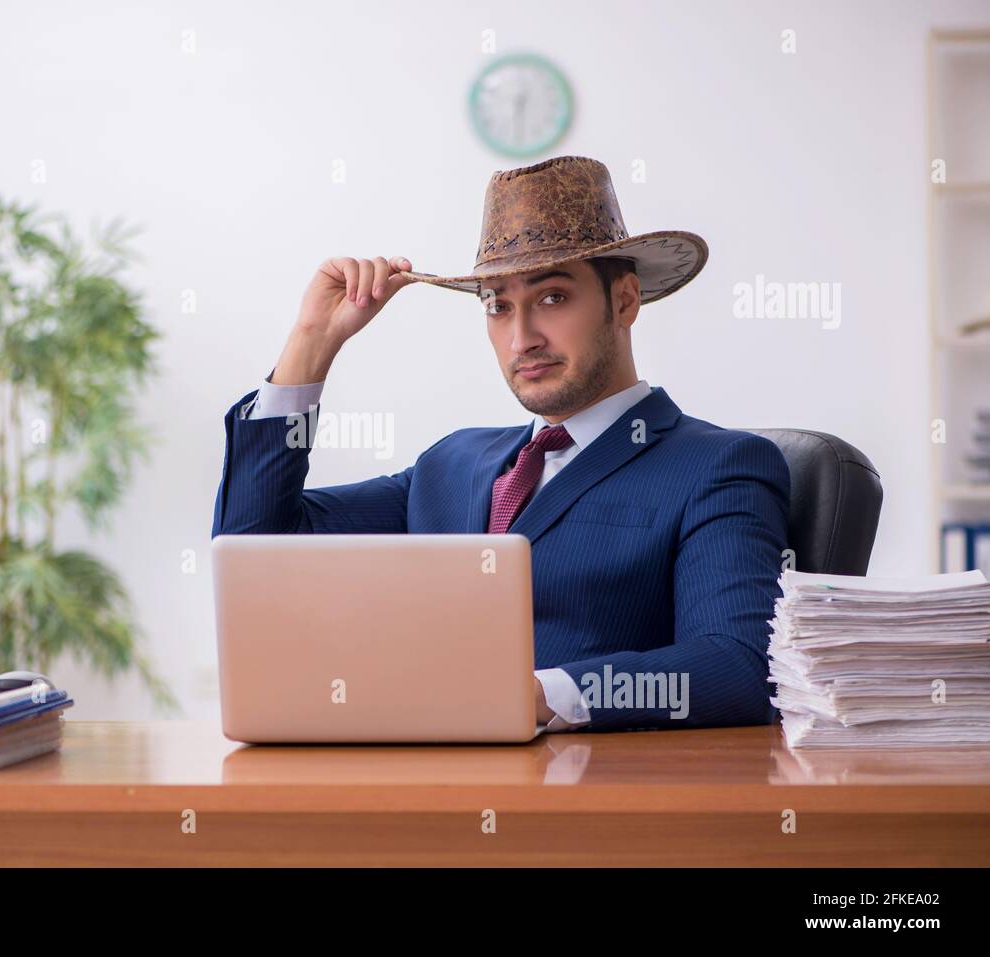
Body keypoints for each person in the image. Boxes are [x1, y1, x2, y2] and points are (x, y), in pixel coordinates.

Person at [211, 156, 790, 732]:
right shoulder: (452, 464)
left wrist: (540, 696)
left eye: (553, 297)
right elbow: (257, 548)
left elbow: (737, 666)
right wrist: (312, 345)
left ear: (625, 301)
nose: (522, 338)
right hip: (422, 783)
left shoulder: (717, 466)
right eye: (498, 306)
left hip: (582, 801)